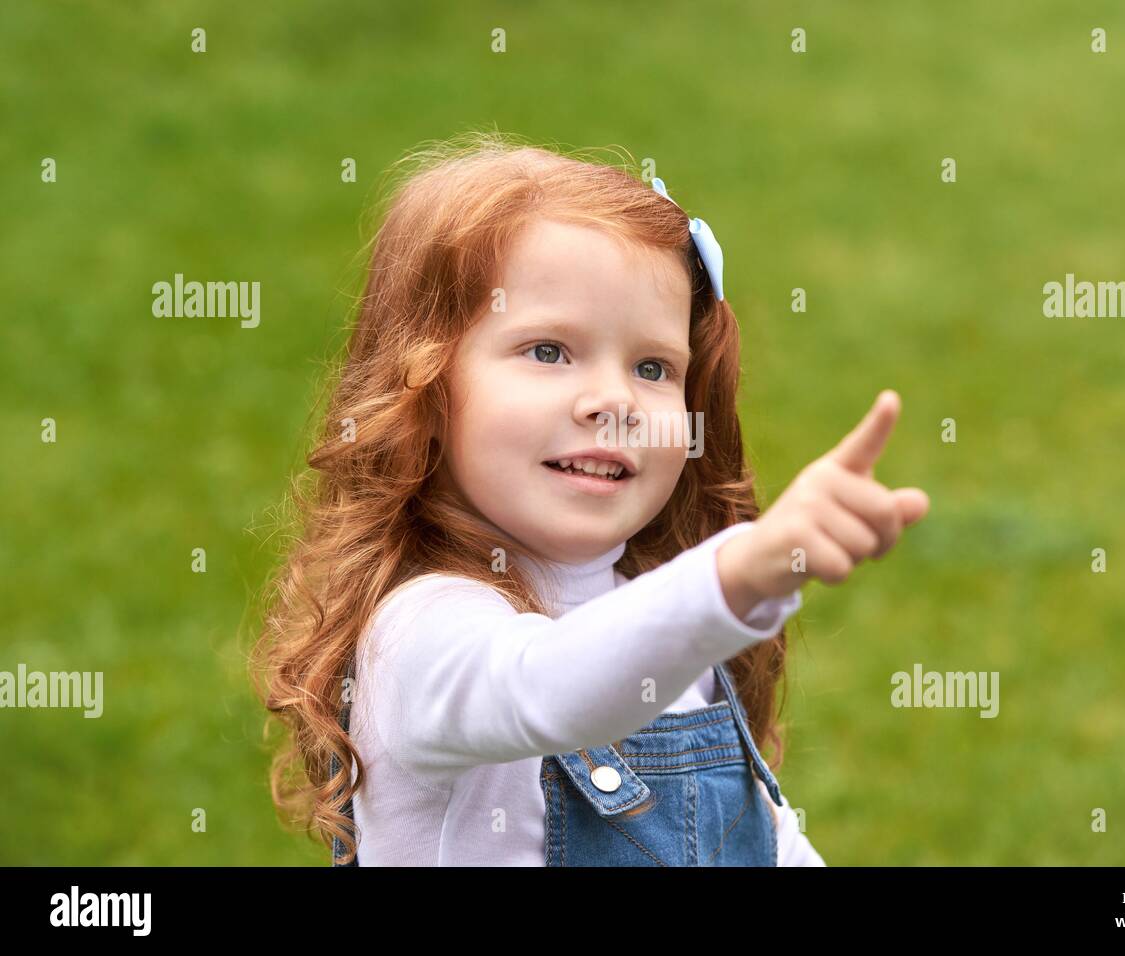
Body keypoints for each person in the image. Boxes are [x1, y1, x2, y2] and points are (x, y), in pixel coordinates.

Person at [251, 131, 929, 866]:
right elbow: (547, 689)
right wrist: (734, 577)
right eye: (549, 351)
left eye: (652, 366)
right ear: (425, 386)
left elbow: (764, 845)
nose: (613, 400)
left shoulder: (662, 622)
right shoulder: (422, 633)